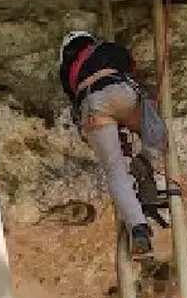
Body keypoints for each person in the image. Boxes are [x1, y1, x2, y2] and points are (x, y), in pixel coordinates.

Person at [58, 30, 169, 257]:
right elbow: (130, 67)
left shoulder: (66, 70)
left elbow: (74, 101)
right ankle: (145, 161)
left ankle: (138, 229)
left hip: (92, 106)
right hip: (120, 92)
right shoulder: (107, 48)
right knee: (154, 133)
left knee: (115, 170)